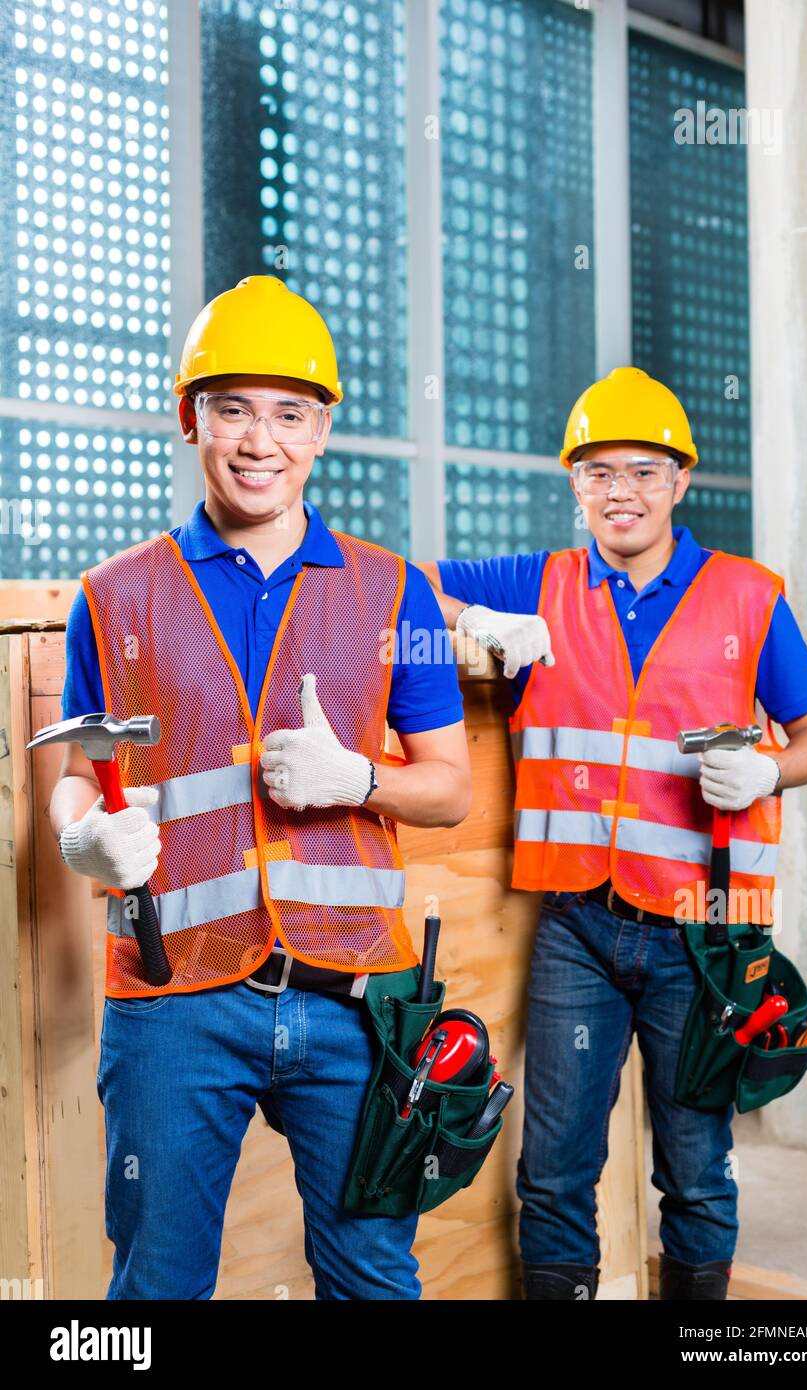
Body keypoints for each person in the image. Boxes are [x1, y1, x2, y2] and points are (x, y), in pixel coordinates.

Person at [51, 274, 471, 1300]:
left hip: (354, 1000)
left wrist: (360, 777)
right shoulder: (113, 597)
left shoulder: (395, 590)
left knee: (373, 1279)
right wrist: (81, 840)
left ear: (321, 430)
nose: (257, 440)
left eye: (288, 413)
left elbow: (449, 788)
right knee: (154, 1288)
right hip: (169, 1002)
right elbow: (74, 772)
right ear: (189, 418)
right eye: (231, 408)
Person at [420, 366, 807, 1300]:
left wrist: (773, 766)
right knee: (555, 1166)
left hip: (702, 936)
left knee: (695, 1166)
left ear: (680, 481)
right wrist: (476, 617)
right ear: (574, 483)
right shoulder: (539, 584)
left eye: (645, 472)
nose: (623, 492)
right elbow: (395, 584)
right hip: (579, 926)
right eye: (600, 472)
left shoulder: (748, 598)